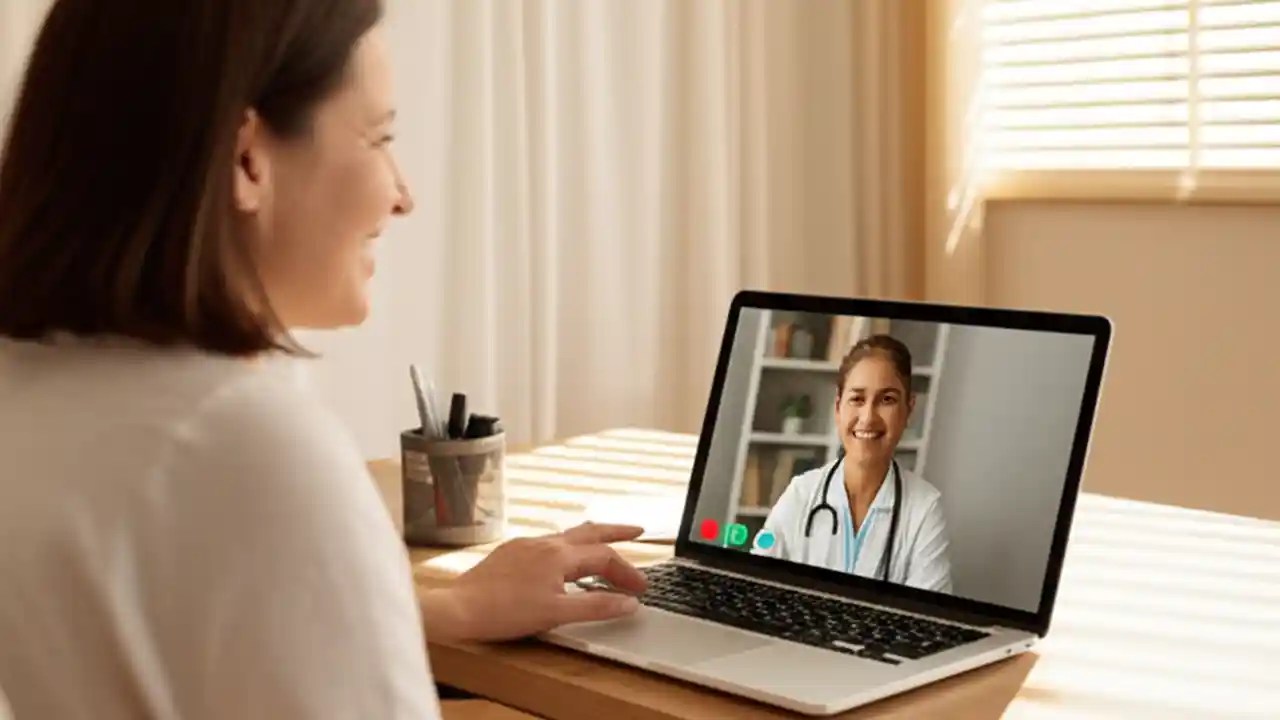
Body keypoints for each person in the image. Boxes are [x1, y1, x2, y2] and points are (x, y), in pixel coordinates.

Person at [0, 1, 647, 717]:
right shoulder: (244, 445)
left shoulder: (28, 388)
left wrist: (447, 607)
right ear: (247, 157)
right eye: (379, 138)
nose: (401, 194)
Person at [755, 335, 953, 592]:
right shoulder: (801, 493)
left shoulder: (924, 508)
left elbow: (929, 618)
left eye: (887, 400)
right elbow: (756, 581)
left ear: (908, 410)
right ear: (838, 408)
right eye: (857, 399)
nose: (868, 417)